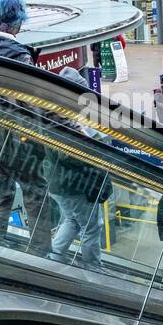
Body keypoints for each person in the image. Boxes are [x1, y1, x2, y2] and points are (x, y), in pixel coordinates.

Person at [0, 0, 53, 254]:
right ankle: (41, 254)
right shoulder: (18, 55)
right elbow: (30, 104)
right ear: (15, 21)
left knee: (1, 194)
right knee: (35, 193)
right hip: (19, 142)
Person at [49, 66, 109, 269]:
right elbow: (69, 153)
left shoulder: (53, 109)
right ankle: (94, 268)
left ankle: (54, 258)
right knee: (92, 227)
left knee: (72, 221)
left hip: (59, 183)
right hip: (74, 184)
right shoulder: (65, 116)